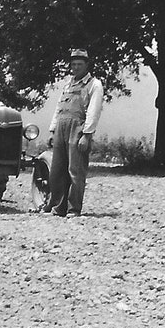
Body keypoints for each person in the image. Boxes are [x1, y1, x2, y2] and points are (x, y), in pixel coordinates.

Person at [45, 49, 104, 218]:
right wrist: (52, 129)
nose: (76, 68)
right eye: (73, 64)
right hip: (61, 129)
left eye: (79, 64)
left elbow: (93, 111)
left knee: (75, 171)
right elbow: (58, 108)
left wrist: (87, 134)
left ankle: (73, 209)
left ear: (87, 65)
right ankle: (58, 207)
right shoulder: (68, 85)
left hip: (78, 128)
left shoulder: (94, 85)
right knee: (56, 170)